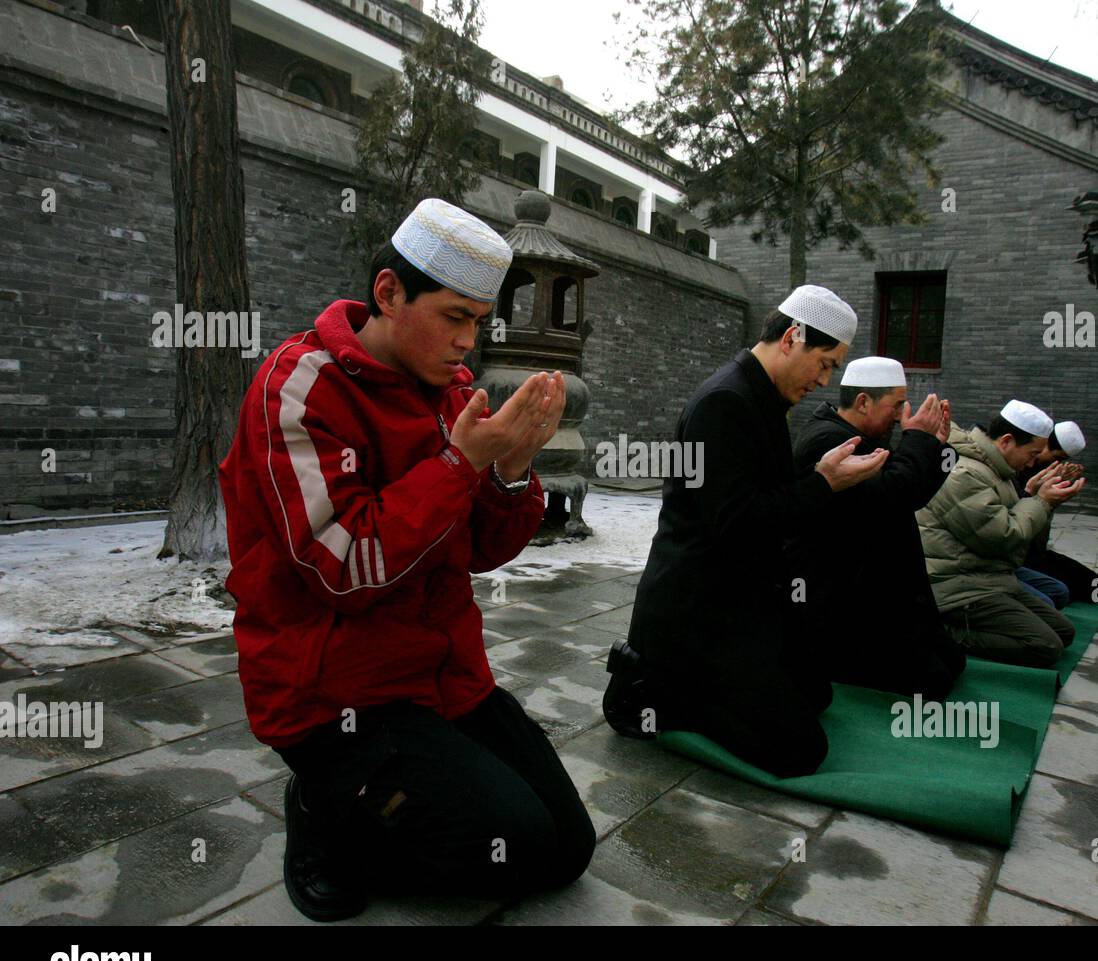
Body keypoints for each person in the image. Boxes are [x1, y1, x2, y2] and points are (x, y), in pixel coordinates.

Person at [219, 198, 594, 921]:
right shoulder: (299, 388)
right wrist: (460, 463)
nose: (468, 342)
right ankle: (328, 808)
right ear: (389, 292)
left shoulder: (450, 391)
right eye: (454, 316)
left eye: (479, 322)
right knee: (510, 849)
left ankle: (391, 795)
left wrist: (511, 474)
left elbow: (480, 549)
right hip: (335, 691)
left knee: (566, 845)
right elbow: (345, 566)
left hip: (441, 672)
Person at [603, 285, 889, 777]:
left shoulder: (760, 397)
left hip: (738, 599)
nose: (824, 381)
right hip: (694, 614)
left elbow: (766, 501)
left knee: (816, 691)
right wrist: (823, 483)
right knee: (799, 749)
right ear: (792, 337)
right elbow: (739, 524)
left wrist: (819, 480)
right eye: (824, 364)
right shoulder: (725, 402)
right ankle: (654, 694)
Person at [789, 355, 965, 699]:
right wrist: (917, 439)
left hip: (875, 589)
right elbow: (890, 496)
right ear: (863, 402)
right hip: (843, 602)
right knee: (933, 681)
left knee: (952, 661)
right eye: (897, 406)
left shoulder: (858, 435)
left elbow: (909, 496)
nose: (901, 417)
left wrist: (937, 447)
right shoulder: (829, 440)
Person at [916, 400, 1085, 670]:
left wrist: (1031, 495)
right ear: (1006, 441)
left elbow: (1016, 535)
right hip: (958, 587)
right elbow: (1003, 537)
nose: (1033, 461)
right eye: (1032, 453)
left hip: (990, 577)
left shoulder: (998, 470)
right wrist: (1041, 502)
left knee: (1064, 632)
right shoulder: (965, 473)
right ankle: (943, 632)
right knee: (1045, 646)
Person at [1014, 421, 1098, 604]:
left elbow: (1038, 520)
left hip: (1035, 553)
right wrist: (1035, 494)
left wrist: (1054, 495)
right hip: (1018, 556)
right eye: (1056, 457)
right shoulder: (1015, 469)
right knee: (1057, 594)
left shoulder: (1039, 468)